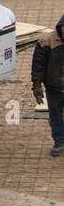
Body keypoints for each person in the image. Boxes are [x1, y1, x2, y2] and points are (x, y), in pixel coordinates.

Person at [30, 13, 64, 157]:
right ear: (60, 27)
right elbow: (38, 66)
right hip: (54, 88)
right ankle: (59, 142)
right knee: (55, 116)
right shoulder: (46, 41)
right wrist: (37, 85)